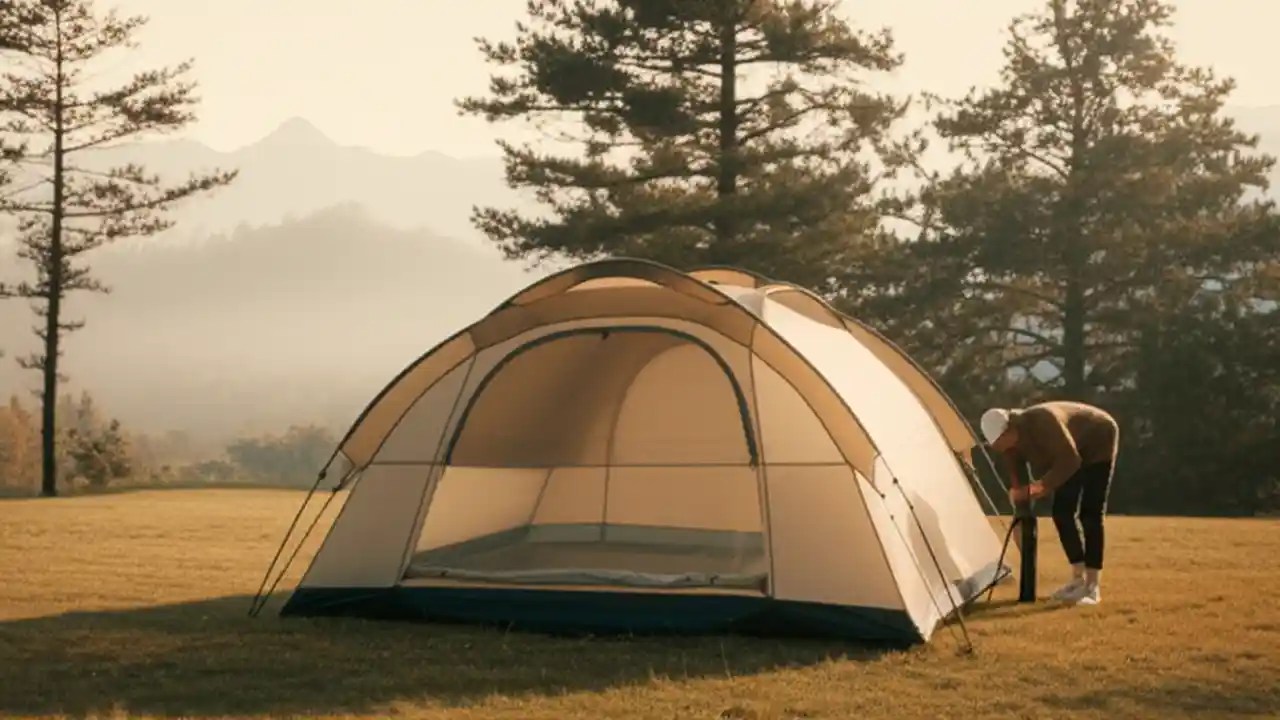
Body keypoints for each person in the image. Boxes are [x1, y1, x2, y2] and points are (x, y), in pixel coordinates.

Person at [980, 401, 1119, 606]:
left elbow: (1071, 459)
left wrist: (1043, 486)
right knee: (1061, 513)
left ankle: (1092, 586)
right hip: (1068, 455)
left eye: (1003, 441)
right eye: (997, 446)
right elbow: (1021, 485)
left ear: (1012, 427)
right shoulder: (1009, 448)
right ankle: (1077, 579)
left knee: (1090, 513)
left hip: (1098, 440)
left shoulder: (1043, 420)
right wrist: (1021, 516)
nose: (1003, 448)